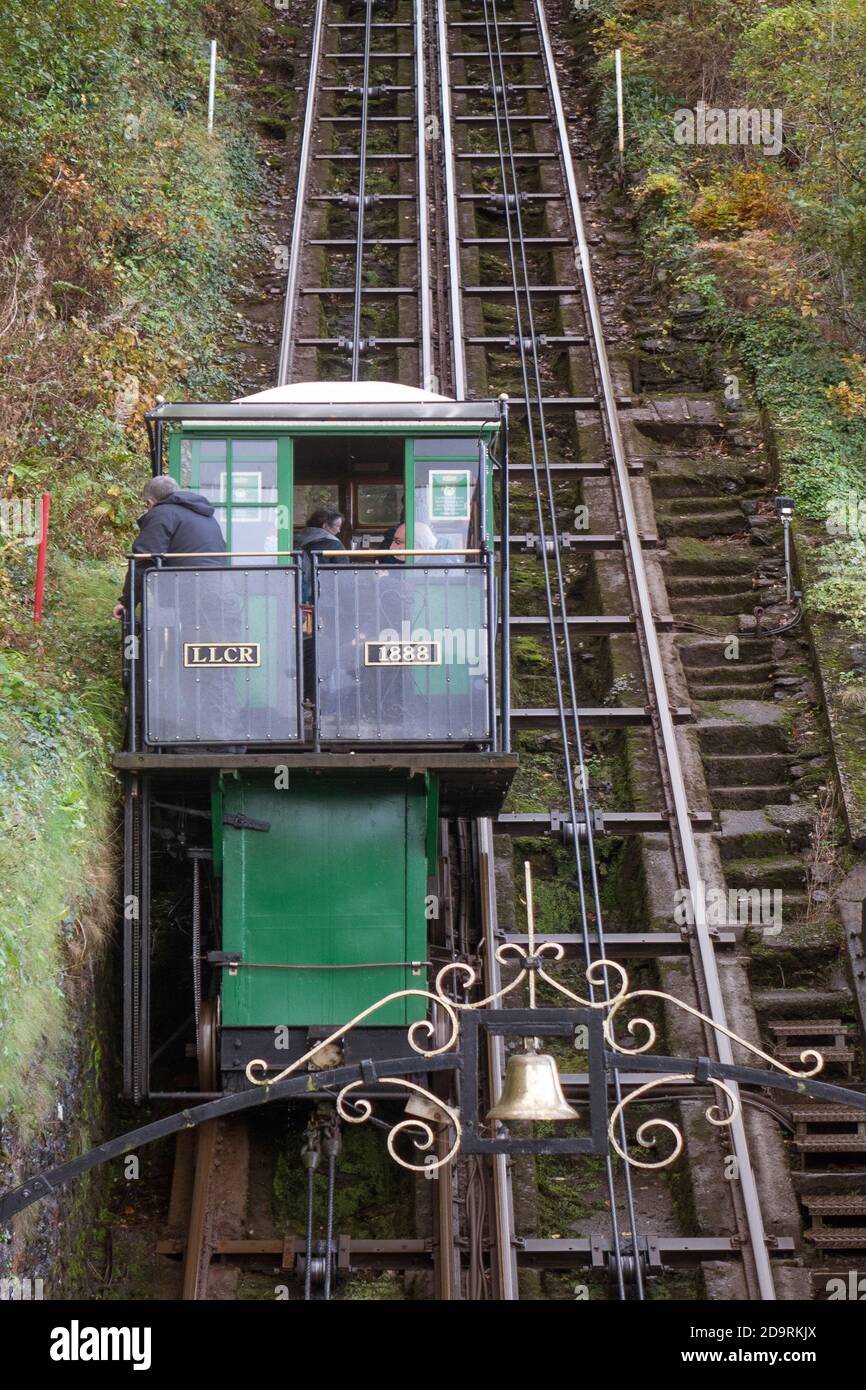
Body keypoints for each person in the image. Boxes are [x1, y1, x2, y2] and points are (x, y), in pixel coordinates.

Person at [113, 475, 226, 618]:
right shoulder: (205, 515)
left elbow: (143, 560)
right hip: (222, 590)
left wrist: (126, 603)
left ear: (150, 502)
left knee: (180, 637)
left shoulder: (161, 514)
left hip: (186, 594)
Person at [294, 506, 347, 704]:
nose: (340, 531)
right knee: (326, 652)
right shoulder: (332, 545)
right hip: (326, 606)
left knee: (305, 650)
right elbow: (344, 578)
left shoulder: (298, 540)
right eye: (337, 526)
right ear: (325, 525)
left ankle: (305, 697)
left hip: (301, 605)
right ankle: (321, 699)